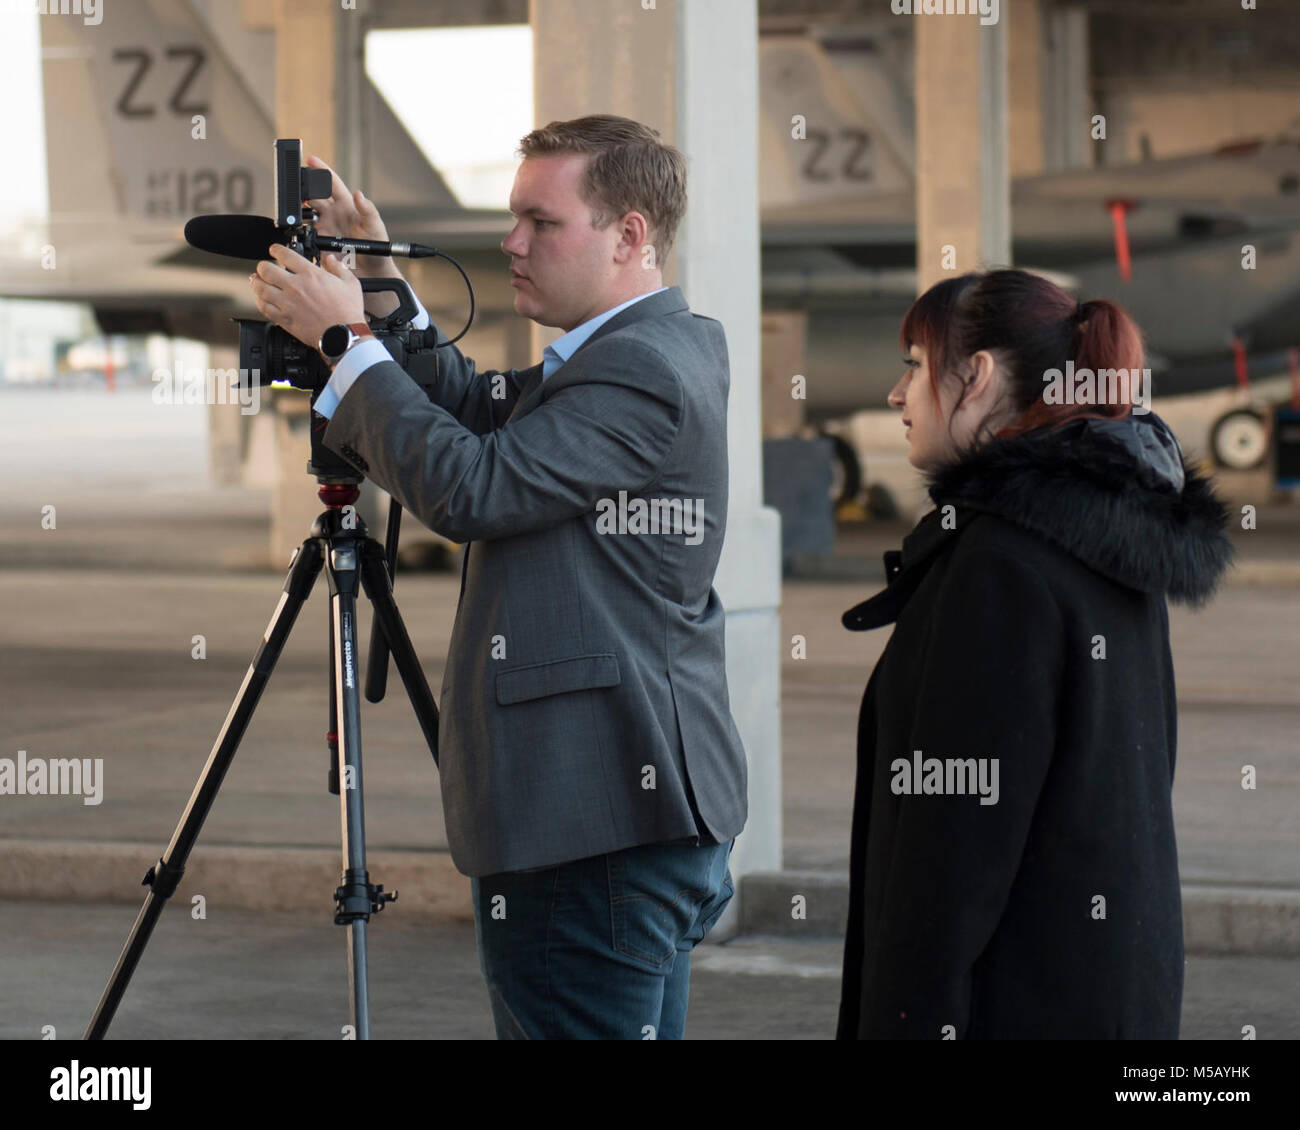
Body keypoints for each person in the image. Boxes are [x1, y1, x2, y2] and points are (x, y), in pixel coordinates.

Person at [248, 115, 746, 1040]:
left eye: (540, 222)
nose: (511, 243)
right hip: (617, 818)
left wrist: (344, 344)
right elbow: (485, 416)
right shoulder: (634, 352)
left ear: (630, 235)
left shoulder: (636, 368)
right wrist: (386, 296)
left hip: (588, 825)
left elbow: (476, 486)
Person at [837, 268, 1234, 1039]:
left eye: (915, 366)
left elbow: (949, 865)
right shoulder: (1102, 541)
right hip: (1109, 992)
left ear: (976, 378)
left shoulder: (998, 565)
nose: (897, 394)